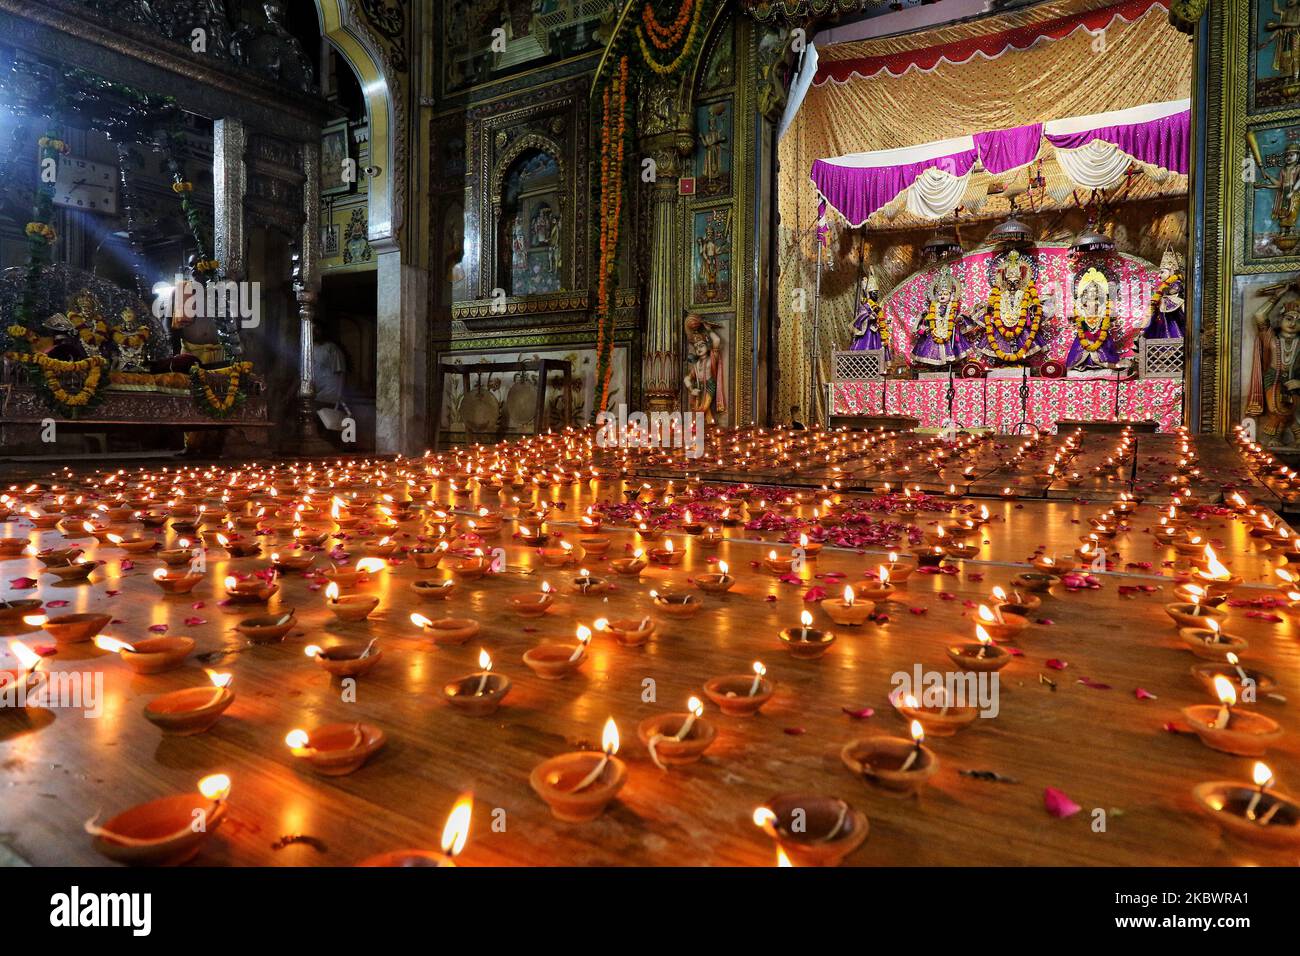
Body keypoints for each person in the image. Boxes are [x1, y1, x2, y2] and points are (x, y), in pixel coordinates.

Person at [1247, 280, 1300, 444]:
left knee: (1290, 409)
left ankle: (1280, 437)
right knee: (1275, 409)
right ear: (1280, 319)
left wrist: (1298, 382)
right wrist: (1278, 296)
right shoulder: (1271, 338)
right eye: (1289, 318)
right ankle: (1291, 435)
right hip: (1272, 378)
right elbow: (1259, 316)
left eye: (1298, 321)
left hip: (1294, 381)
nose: (1293, 323)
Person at [312, 329, 346, 408]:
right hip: (313, 394)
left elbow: (340, 373)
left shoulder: (331, 348)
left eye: (316, 329)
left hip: (327, 396)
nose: (314, 331)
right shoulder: (308, 348)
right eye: (311, 329)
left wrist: (338, 396)